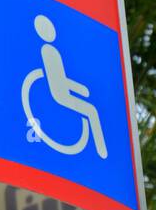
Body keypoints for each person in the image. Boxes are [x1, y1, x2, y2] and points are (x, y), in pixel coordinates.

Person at [34, 14, 107, 159]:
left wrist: (81, 89)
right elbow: (56, 79)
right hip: (59, 94)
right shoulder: (48, 52)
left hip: (62, 90)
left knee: (91, 110)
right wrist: (79, 89)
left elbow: (61, 78)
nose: (52, 31)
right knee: (91, 111)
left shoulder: (52, 51)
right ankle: (102, 152)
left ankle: (101, 151)